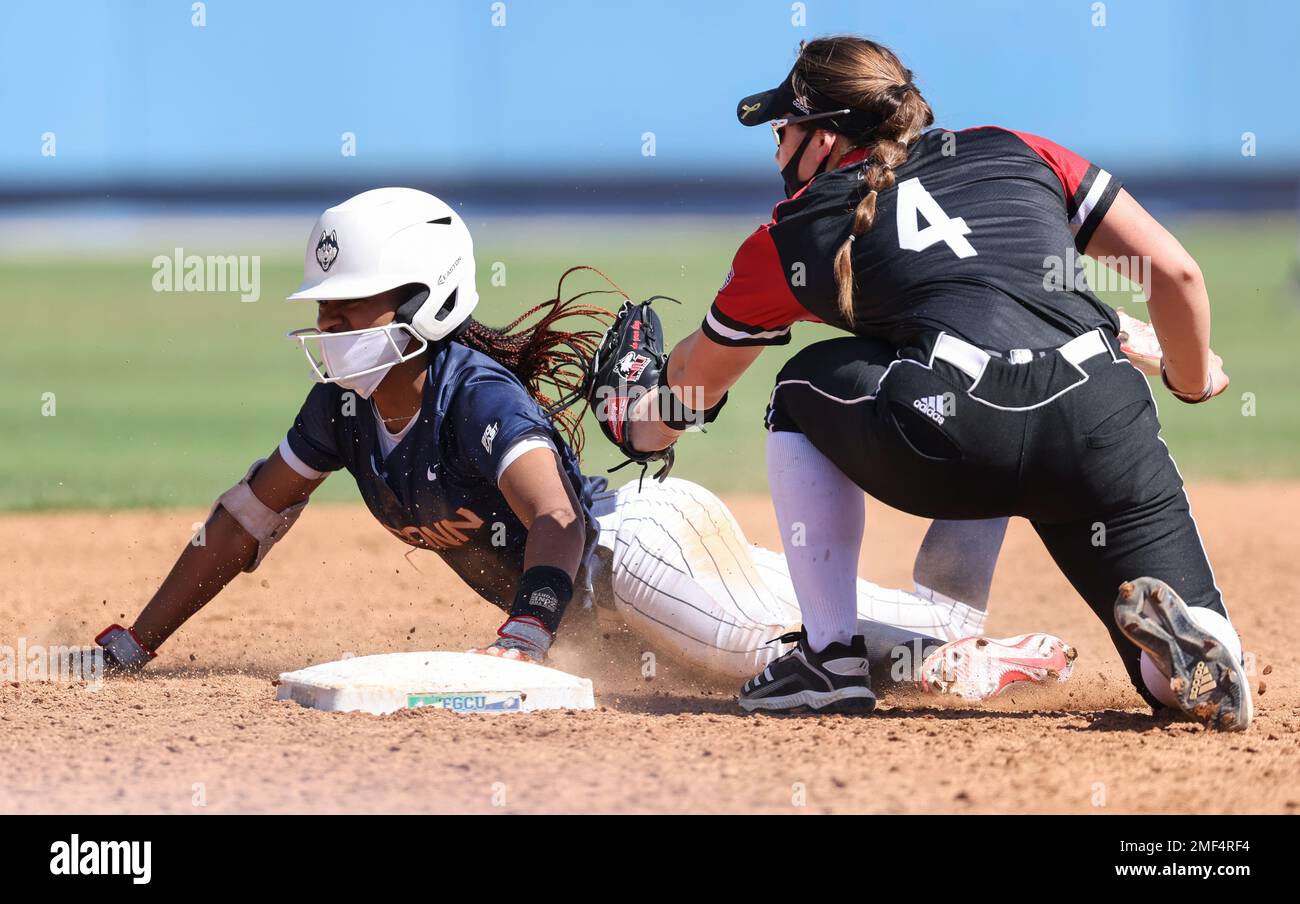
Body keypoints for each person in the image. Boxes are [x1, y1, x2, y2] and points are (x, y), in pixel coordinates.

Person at [88, 187, 1075, 704]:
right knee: (909, 614)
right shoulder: (340, 410)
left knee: (757, 656)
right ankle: (989, 490)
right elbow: (244, 521)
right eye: (328, 305)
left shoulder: (476, 397)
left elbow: (557, 520)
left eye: (353, 303)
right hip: (627, 585)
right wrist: (140, 637)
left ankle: (960, 667)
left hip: (637, 549)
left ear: (423, 300)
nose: (334, 321)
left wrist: (528, 630)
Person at [621, 36, 1252, 730]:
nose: (775, 152)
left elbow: (694, 384)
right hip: (1100, 419)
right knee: (1173, 677)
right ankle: (1199, 654)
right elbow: (1177, 275)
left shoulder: (794, 234)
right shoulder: (1018, 148)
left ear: (824, 137)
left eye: (782, 131)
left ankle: (829, 662)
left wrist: (632, 422)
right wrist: (1189, 379)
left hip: (959, 432)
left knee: (799, 389)